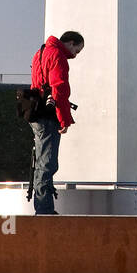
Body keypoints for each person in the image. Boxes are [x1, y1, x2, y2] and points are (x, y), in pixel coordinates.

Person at [28, 31, 84, 215]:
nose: (76, 54)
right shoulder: (58, 55)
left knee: (41, 162)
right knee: (48, 163)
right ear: (70, 42)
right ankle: (44, 209)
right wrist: (64, 119)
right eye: (77, 49)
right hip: (48, 115)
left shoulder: (40, 52)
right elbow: (59, 89)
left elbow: (38, 83)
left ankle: (43, 206)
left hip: (35, 112)